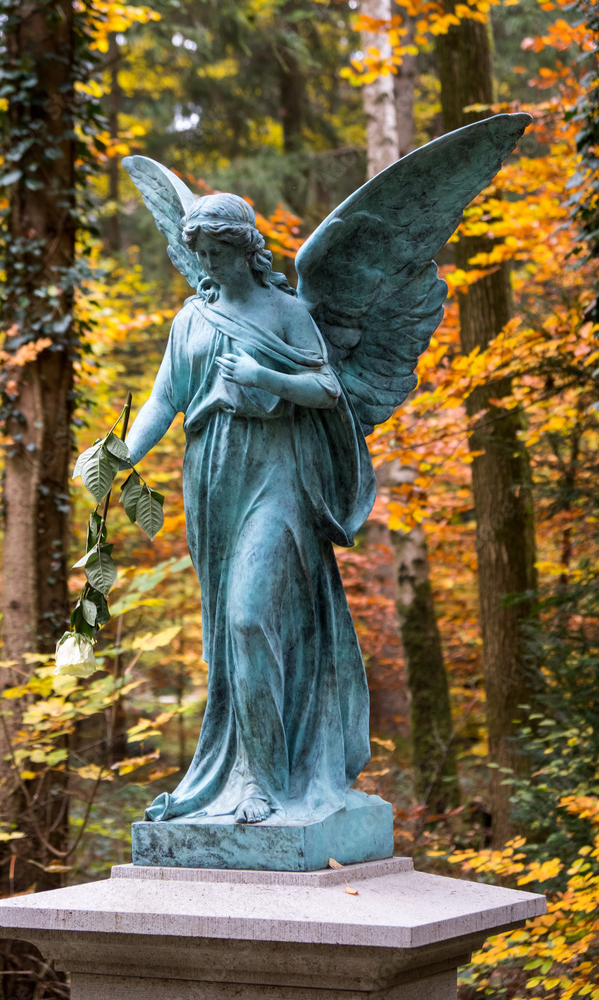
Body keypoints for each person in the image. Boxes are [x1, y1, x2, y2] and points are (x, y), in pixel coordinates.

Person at [126, 193, 376, 825]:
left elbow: (326, 388)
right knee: (226, 633)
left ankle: (264, 783)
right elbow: (163, 400)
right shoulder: (191, 318)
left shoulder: (286, 312)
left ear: (245, 250)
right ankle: (236, 770)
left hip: (277, 473)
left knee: (246, 618)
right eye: (200, 253)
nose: (207, 264)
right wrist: (121, 456)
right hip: (212, 476)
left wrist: (265, 378)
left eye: (218, 251)